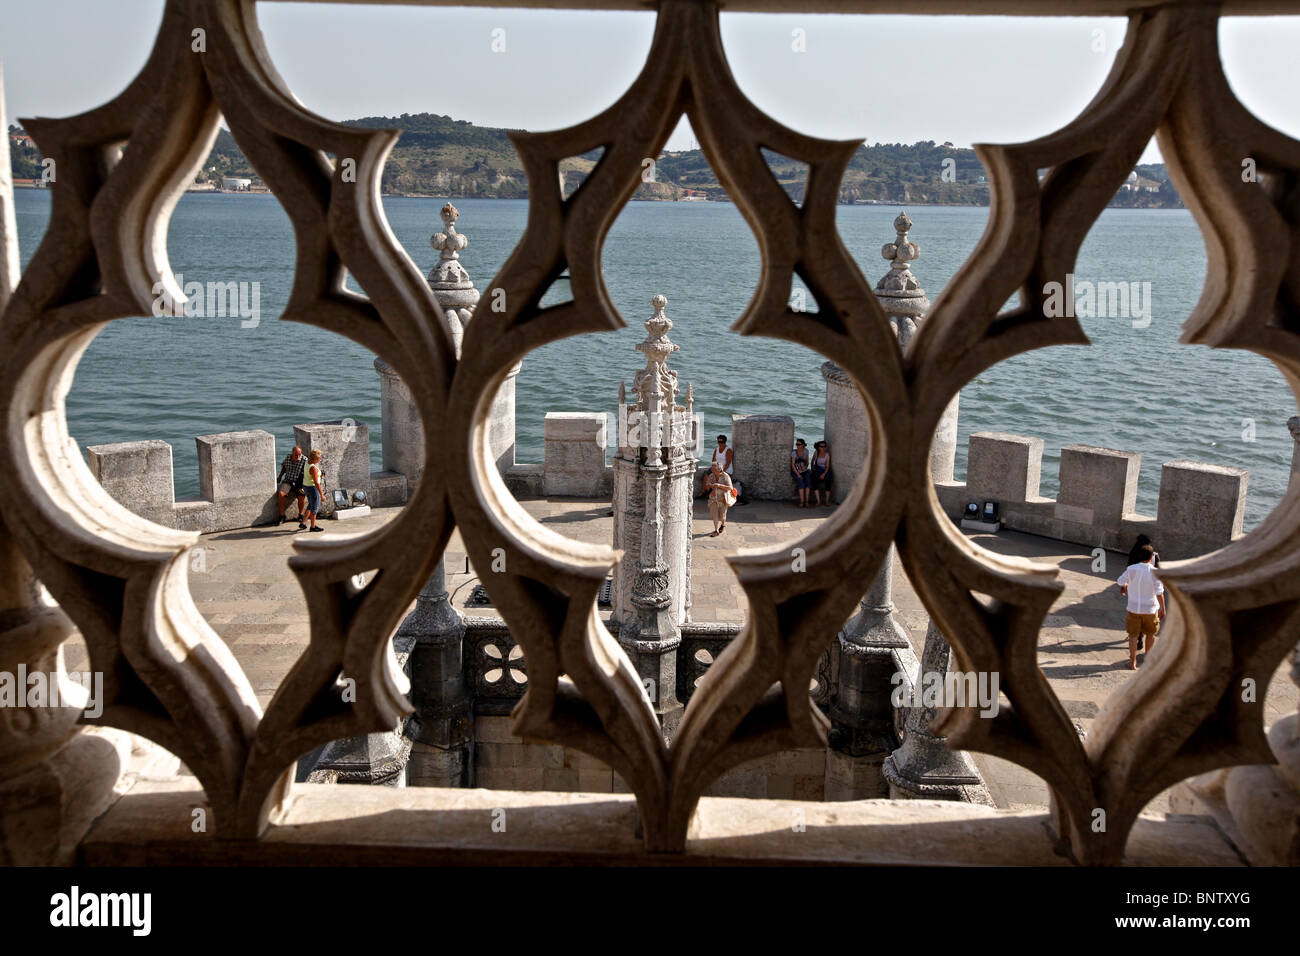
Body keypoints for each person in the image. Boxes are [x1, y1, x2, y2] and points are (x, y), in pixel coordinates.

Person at [1116, 543, 1165, 670]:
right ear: (1151, 557)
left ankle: (1133, 661)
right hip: (1150, 609)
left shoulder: (1131, 569)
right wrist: (1163, 608)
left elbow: (1120, 581)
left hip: (1133, 608)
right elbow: (1160, 593)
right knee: (1150, 634)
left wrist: (1126, 585)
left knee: (1133, 635)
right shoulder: (1155, 572)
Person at [275, 445, 308, 526]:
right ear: (292, 453)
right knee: (281, 494)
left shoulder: (304, 460)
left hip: (299, 482)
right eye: (296, 455)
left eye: (299, 454)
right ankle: (282, 515)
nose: (298, 456)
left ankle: (300, 514)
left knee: (301, 495)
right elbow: (284, 467)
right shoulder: (288, 458)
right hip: (288, 480)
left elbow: (308, 471)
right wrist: (280, 476)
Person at [703, 460, 734, 537]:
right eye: (712, 469)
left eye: (714, 469)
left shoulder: (726, 476)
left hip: (723, 498)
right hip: (713, 498)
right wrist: (710, 486)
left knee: (722, 516)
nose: (712, 470)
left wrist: (719, 485)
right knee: (714, 515)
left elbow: (730, 488)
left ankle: (723, 525)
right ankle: (716, 530)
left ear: (719, 469)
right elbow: (707, 486)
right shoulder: (711, 476)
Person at [300, 449, 327, 533]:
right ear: (315, 459)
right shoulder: (313, 468)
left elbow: (311, 476)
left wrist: (320, 475)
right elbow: (316, 482)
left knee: (310, 505)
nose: (320, 459)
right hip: (312, 488)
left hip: (306, 486)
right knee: (314, 508)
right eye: (319, 458)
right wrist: (321, 494)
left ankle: (303, 523)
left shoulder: (307, 462)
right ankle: (313, 526)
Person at [811, 440, 832, 506]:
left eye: (825, 446)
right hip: (817, 470)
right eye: (822, 446)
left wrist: (823, 474)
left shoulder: (827, 455)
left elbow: (827, 466)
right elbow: (812, 461)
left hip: (825, 471)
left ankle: (827, 501)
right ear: (818, 447)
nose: (823, 448)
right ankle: (818, 501)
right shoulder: (816, 453)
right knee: (814, 481)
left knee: (828, 482)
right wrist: (812, 469)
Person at [791, 438, 810, 507]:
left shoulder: (806, 451)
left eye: (799, 444)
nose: (797, 446)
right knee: (801, 482)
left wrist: (805, 467)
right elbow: (793, 465)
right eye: (796, 444)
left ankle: (807, 501)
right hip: (796, 471)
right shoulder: (794, 453)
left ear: (803, 445)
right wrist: (798, 474)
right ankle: (802, 502)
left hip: (804, 470)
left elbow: (807, 462)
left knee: (808, 482)